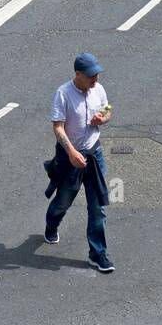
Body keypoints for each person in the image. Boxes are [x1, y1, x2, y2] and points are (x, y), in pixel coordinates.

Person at [44, 52, 114, 272]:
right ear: (78, 74)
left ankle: (98, 254)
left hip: (94, 155)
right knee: (63, 202)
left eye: (97, 75)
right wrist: (72, 153)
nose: (96, 80)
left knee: (98, 208)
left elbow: (107, 109)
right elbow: (58, 127)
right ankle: (51, 224)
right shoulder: (63, 94)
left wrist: (103, 118)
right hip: (70, 158)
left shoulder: (98, 90)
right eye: (92, 76)